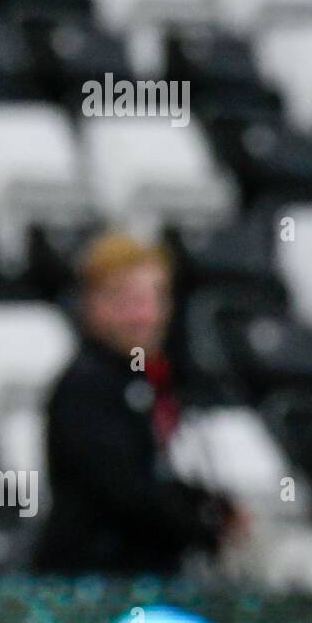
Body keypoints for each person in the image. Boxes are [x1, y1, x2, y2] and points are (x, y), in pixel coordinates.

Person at [35, 232, 246, 576]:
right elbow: (127, 491)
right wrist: (204, 527)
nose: (144, 315)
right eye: (127, 301)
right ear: (92, 304)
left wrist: (212, 506)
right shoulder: (86, 387)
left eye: (155, 298)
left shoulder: (148, 381)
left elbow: (154, 476)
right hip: (98, 584)